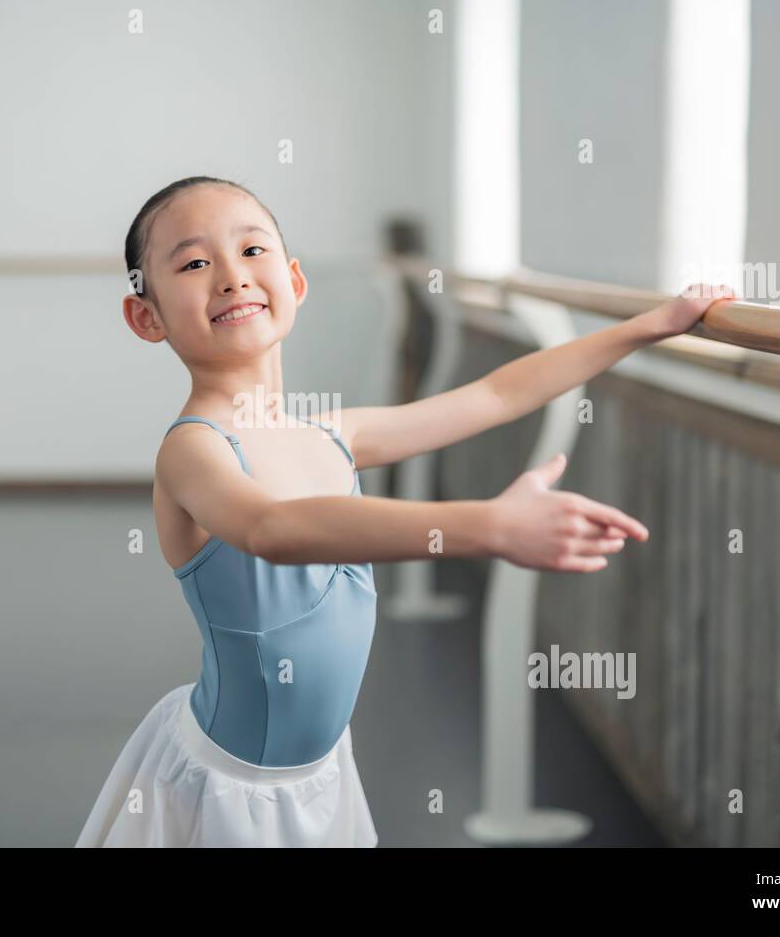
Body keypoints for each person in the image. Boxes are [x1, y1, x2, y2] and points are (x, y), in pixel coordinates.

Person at [74, 175, 735, 847]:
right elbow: (272, 530)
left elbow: (500, 393)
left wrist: (651, 326)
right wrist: (488, 526)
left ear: (294, 282)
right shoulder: (193, 452)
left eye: (252, 250)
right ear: (146, 317)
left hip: (323, 772)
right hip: (232, 796)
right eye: (193, 263)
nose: (231, 277)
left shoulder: (334, 436)